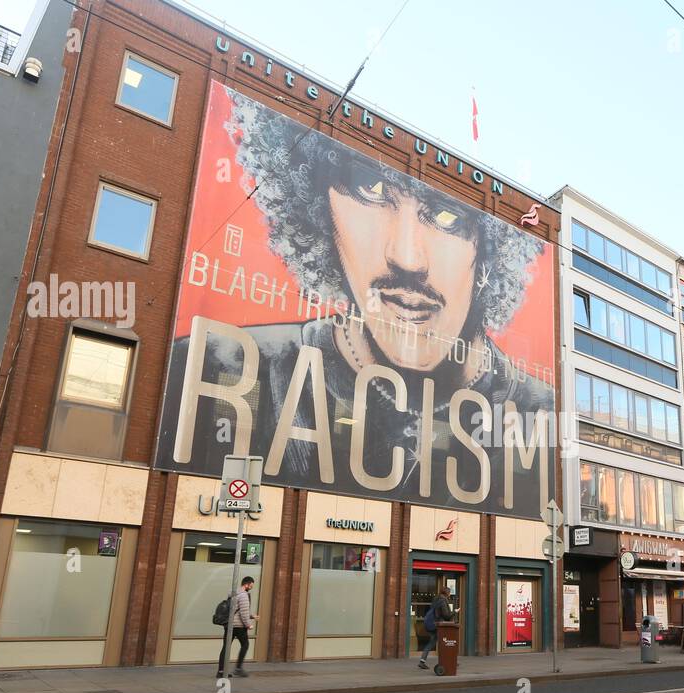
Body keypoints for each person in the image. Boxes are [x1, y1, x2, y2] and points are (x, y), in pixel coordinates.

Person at [160, 86, 553, 517]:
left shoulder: (545, 416)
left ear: (491, 257)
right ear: (318, 207)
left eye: (446, 216)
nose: (406, 257)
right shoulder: (210, 366)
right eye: (370, 187)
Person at [218, 576, 258, 678]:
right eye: (251, 586)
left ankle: (221, 671)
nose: (251, 587)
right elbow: (243, 613)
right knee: (245, 645)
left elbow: (235, 610)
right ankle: (238, 668)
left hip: (229, 624)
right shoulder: (243, 595)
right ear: (246, 584)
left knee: (225, 648)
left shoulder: (233, 594)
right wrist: (249, 625)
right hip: (239, 626)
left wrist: (252, 616)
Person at [418, 586, 454, 670]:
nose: (450, 594)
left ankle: (422, 661)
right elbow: (446, 615)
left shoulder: (436, 599)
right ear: (447, 593)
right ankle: (449, 661)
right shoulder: (443, 600)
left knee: (432, 642)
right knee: (446, 643)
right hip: (439, 625)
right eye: (449, 592)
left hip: (432, 624)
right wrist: (454, 612)